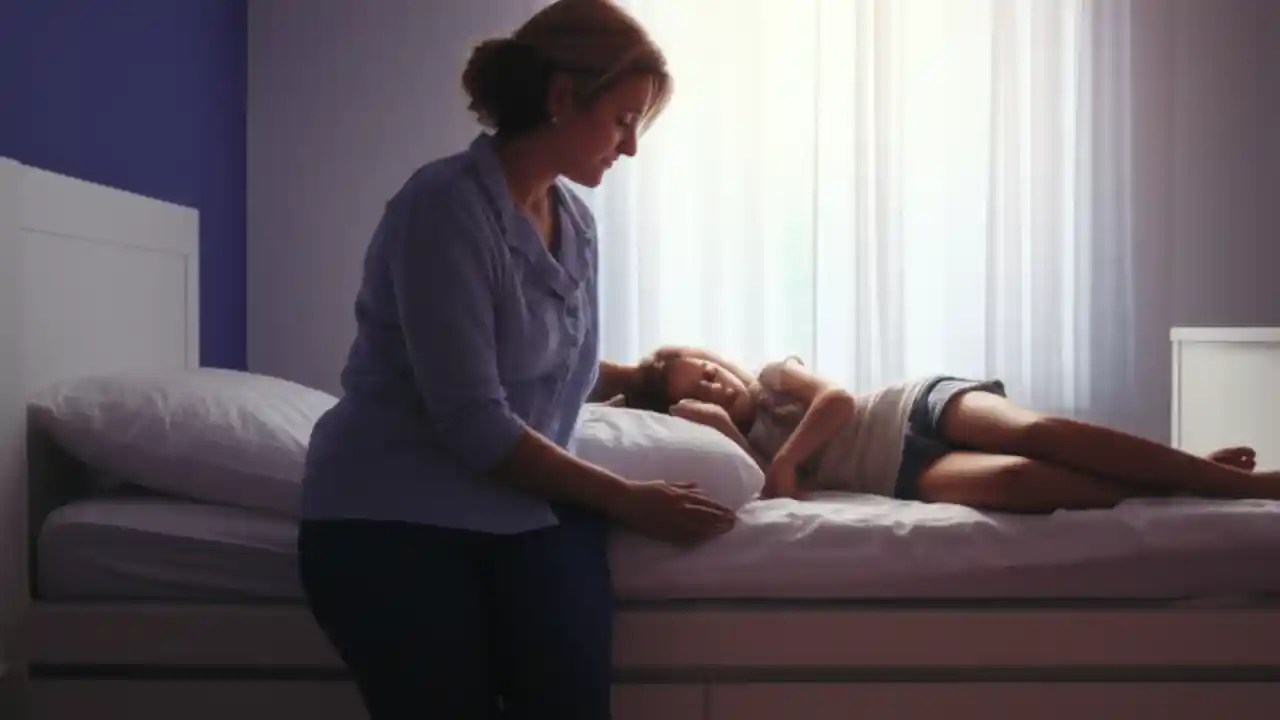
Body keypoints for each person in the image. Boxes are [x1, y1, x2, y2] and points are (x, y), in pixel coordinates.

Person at [296, 3, 735, 718]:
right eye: (624, 120)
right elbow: (475, 421)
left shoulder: (576, 224)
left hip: (521, 509)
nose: (630, 149)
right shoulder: (443, 209)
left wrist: (649, 381)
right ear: (561, 98)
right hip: (395, 517)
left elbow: (553, 369)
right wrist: (631, 499)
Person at [625, 346, 1274, 512]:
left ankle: (1215, 477)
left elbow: (840, 401)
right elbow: (772, 492)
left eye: (709, 372)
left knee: (1037, 432)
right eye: (701, 391)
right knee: (1021, 481)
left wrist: (790, 458)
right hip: (903, 474)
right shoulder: (746, 454)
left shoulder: (772, 376)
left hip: (916, 407)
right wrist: (716, 429)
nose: (717, 384)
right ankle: (1176, 486)